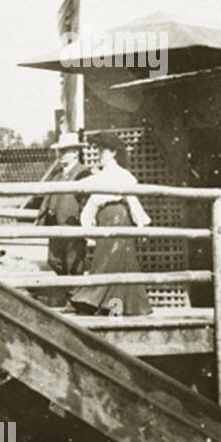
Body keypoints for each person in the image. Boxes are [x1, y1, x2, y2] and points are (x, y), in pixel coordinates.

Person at [69, 131, 152, 317]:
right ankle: (107, 305)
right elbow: (92, 202)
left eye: (103, 151)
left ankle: (107, 305)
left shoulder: (122, 175)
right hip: (104, 219)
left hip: (119, 219)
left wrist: (141, 224)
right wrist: (87, 226)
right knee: (104, 260)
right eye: (98, 150)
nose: (99, 154)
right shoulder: (99, 176)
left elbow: (132, 200)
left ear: (114, 153)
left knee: (116, 262)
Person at [34, 131, 91, 306]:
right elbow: (48, 197)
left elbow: (87, 201)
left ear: (75, 152)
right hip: (56, 227)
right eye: (60, 151)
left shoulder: (83, 173)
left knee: (73, 262)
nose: (61, 155)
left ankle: (74, 299)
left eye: (65, 151)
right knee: (54, 260)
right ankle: (67, 294)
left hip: (73, 225)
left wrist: (84, 222)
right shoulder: (58, 174)